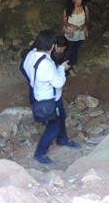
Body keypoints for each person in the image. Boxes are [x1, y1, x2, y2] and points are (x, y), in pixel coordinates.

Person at [21, 29, 80, 165]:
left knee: (62, 116)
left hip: (43, 94)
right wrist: (61, 68)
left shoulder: (31, 54)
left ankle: (63, 139)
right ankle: (39, 153)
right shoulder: (46, 65)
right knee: (52, 128)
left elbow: (24, 67)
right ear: (52, 45)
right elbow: (59, 82)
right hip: (48, 99)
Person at [62, 0, 89, 73]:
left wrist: (83, 25)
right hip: (71, 34)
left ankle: (73, 64)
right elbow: (64, 21)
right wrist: (71, 25)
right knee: (69, 50)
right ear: (73, 0)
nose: (80, 1)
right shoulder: (67, 10)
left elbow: (87, 19)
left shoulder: (85, 8)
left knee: (76, 49)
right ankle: (65, 67)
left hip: (80, 33)